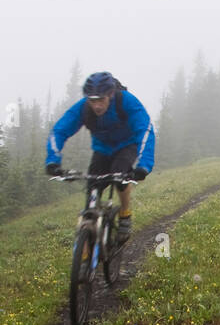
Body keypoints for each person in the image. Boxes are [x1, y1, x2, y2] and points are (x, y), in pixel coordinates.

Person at [45, 72, 155, 243]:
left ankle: (125, 215)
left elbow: (145, 129)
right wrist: (53, 161)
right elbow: (60, 130)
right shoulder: (83, 108)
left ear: (110, 95)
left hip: (127, 145)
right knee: (93, 186)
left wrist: (143, 166)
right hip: (102, 149)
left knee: (121, 176)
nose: (96, 106)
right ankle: (87, 242)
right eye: (92, 100)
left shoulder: (126, 101)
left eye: (100, 100)